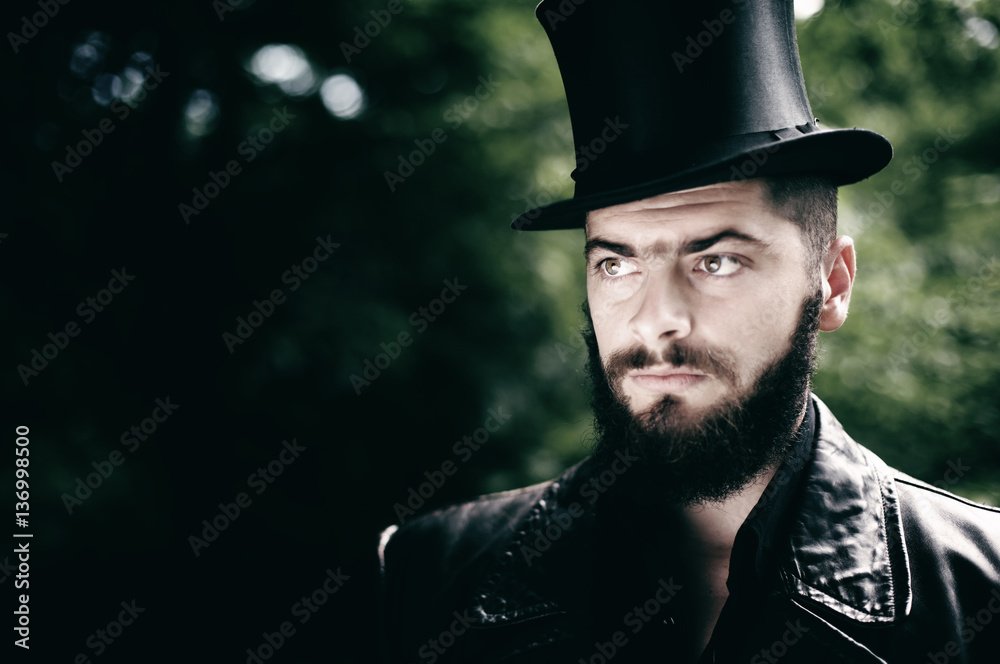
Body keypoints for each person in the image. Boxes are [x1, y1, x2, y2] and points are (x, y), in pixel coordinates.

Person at [378, 1, 1000, 662]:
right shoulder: (426, 575)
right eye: (616, 264)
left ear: (833, 284)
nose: (655, 318)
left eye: (717, 261)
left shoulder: (981, 592)